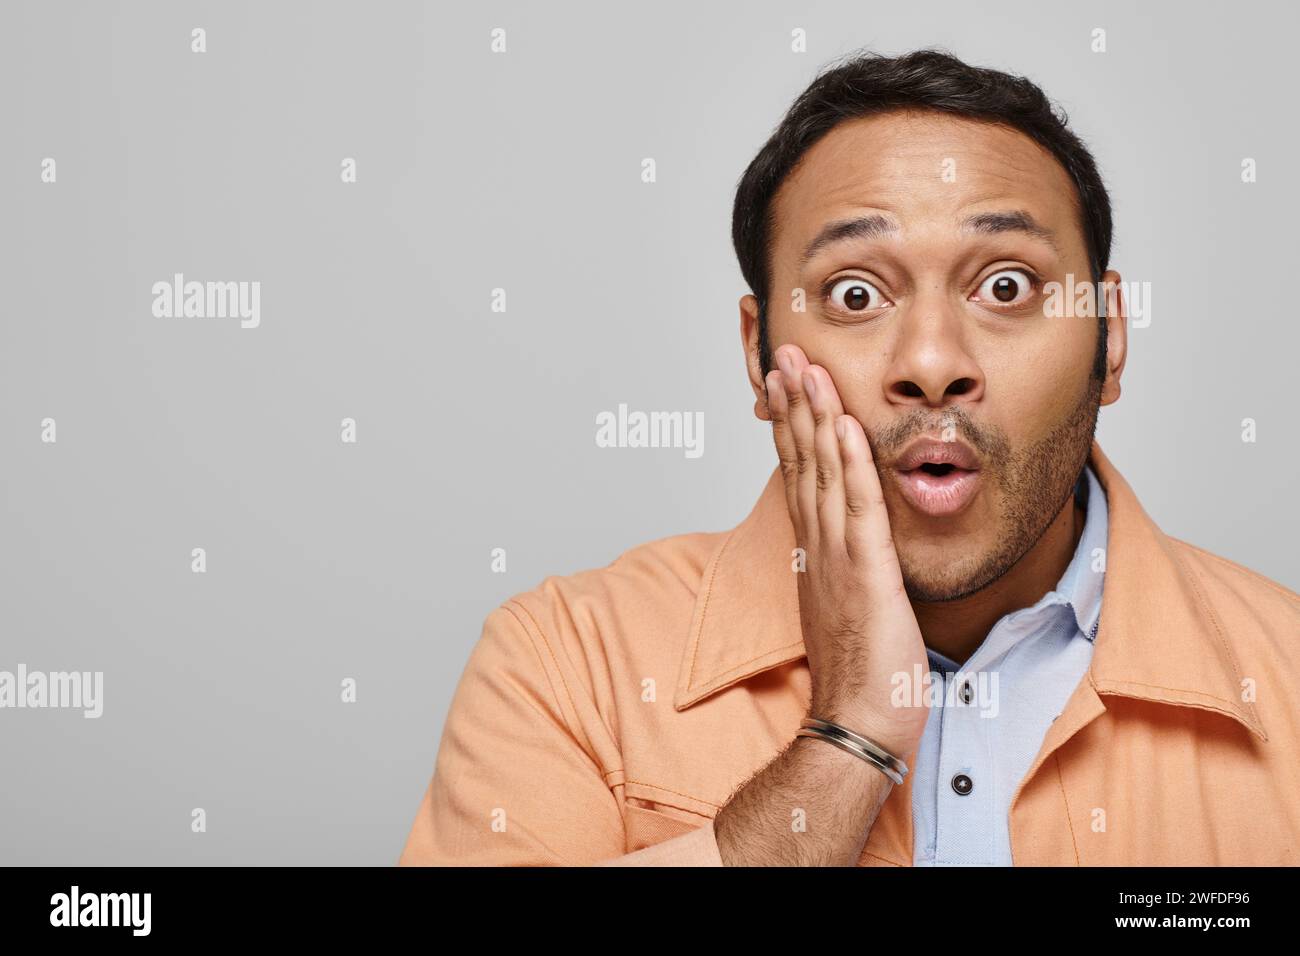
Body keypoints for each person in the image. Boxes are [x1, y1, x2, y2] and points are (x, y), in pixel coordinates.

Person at [399, 49, 1300, 866]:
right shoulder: (566, 666)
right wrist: (848, 738)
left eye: (1007, 285)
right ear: (758, 356)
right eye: (857, 293)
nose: (933, 365)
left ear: (1110, 342)